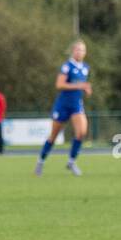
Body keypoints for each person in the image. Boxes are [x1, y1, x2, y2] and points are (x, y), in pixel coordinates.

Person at [35, 40, 91, 177]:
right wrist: (79, 86)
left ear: (85, 52)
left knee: (81, 133)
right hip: (63, 105)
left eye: (82, 50)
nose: (80, 52)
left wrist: (87, 89)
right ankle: (40, 161)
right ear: (73, 51)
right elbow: (59, 85)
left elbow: (81, 85)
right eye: (77, 49)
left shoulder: (85, 67)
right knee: (53, 136)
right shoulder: (67, 66)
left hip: (76, 105)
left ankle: (71, 162)